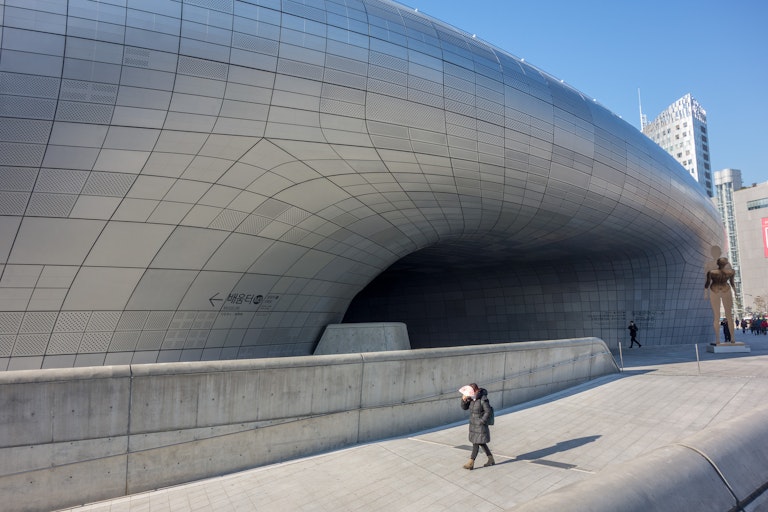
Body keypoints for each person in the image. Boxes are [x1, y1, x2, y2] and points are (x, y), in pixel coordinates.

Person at [460, 383, 494, 470]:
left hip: (480, 425)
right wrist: (463, 400)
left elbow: (488, 411)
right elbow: (464, 407)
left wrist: (482, 421)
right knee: (481, 442)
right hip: (473, 424)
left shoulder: (483, 399)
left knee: (476, 443)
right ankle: (490, 458)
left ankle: (471, 462)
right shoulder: (471, 398)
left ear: (475, 391)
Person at [704, 257, 736, 344]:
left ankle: (718, 338)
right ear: (726, 264)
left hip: (715, 290)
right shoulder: (731, 272)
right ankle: (732, 337)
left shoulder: (712, 272)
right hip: (726, 290)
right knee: (728, 315)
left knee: (717, 316)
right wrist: (735, 292)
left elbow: (707, 284)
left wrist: (705, 293)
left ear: (718, 264)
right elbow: (732, 283)